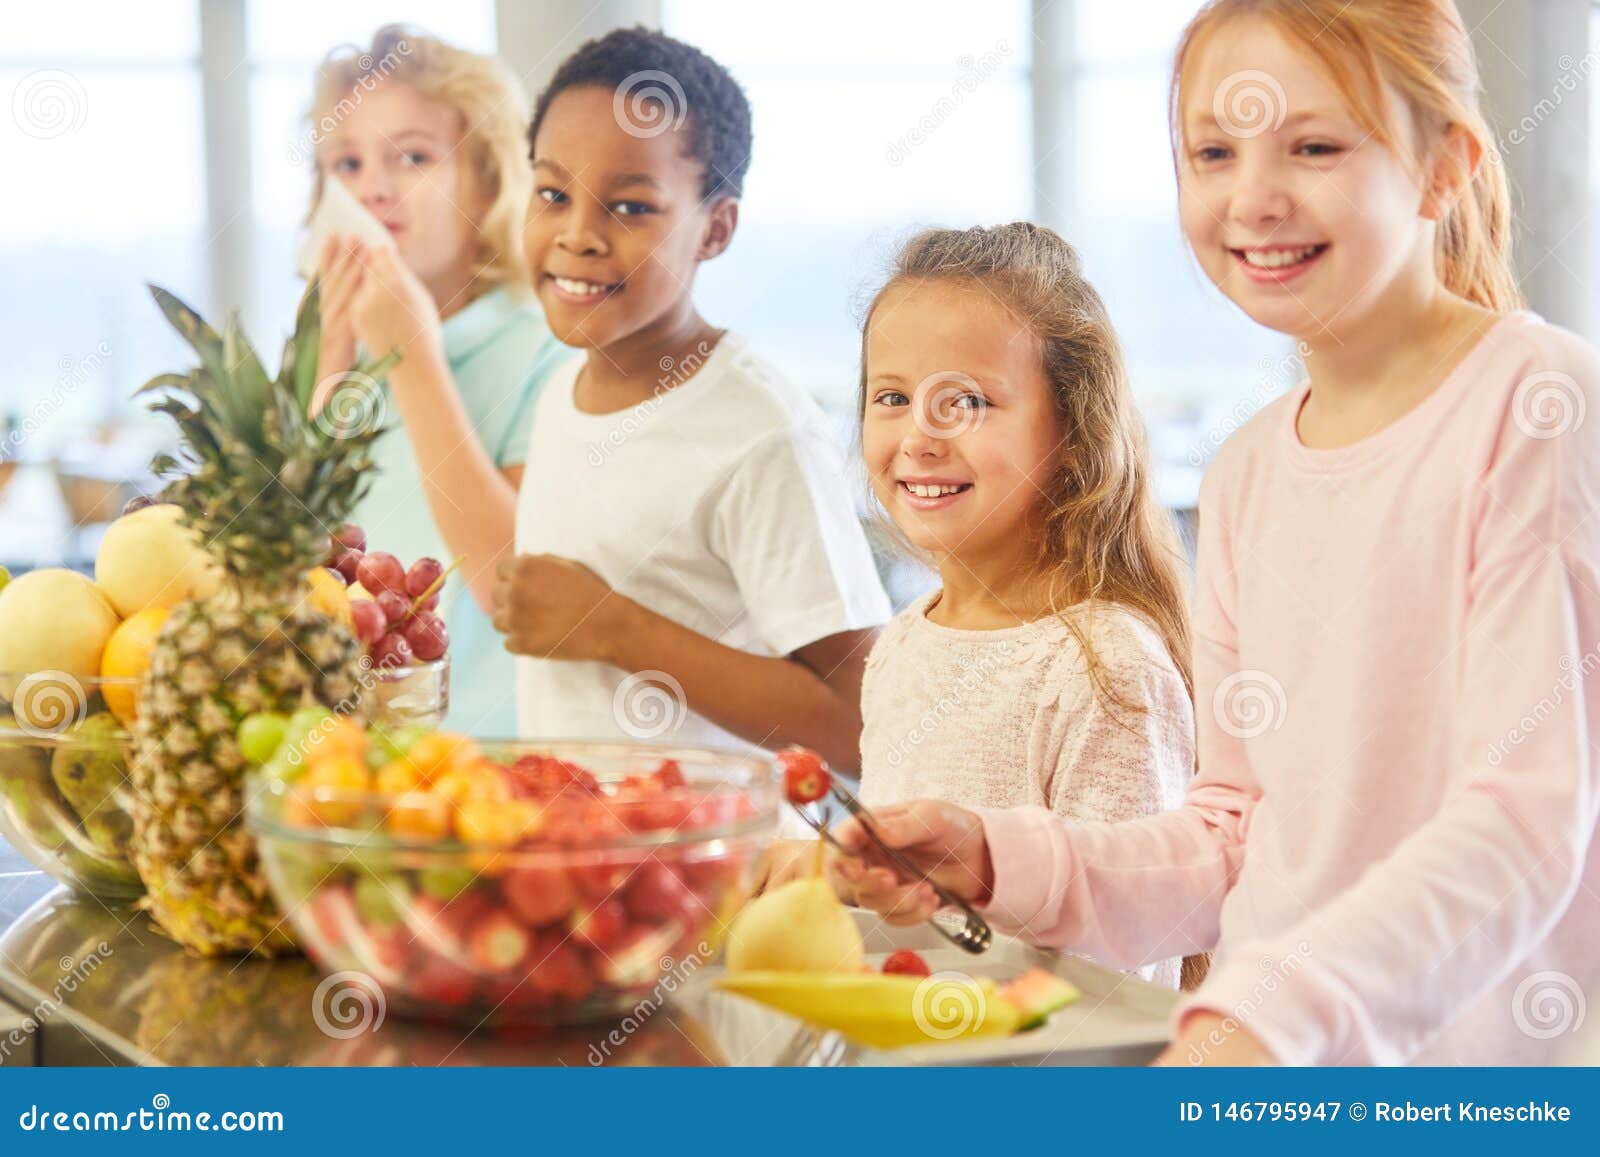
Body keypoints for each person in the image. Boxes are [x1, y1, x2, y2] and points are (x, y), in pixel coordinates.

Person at [834, 0, 1600, 1065]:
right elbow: (1229, 840)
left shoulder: (1539, 401)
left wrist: (1268, 1017)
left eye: (1314, 146)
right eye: (1213, 152)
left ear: (1443, 167)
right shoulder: (1248, 469)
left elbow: (1526, 819)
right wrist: (999, 858)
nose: (1253, 196)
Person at [491, 28, 891, 767]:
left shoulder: (763, 431)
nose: (578, 235)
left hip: (721, 845)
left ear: (715, 228)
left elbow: (863, 725)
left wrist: (612, 627)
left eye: (630, 206)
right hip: (573, 836)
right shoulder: (556, 393)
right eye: (552, 194)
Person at [311, 25, 571, 735]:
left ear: (488, 183)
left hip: (490, 758)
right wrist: (327, 364)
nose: (372, 190)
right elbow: (282, 575)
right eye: (347, 163)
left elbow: (505, 583)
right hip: (348, 759)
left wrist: (414, 356)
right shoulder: (333, 356)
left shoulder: (545, 351)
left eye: (414, 157)